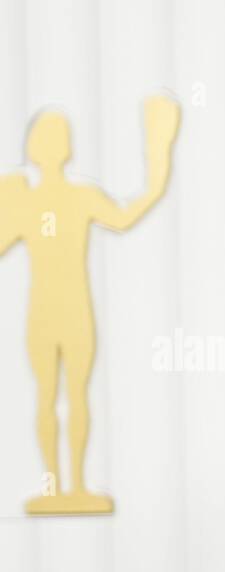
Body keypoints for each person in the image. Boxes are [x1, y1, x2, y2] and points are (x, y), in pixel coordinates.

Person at [0, 96, 180, 515]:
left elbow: (127, 214)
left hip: (71, 313)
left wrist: (159, 152)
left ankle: (72, 486)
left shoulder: (72, 198)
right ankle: (56, 487)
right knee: (54, 397)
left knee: (69, 396)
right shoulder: (27, 201)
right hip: (50, 314)